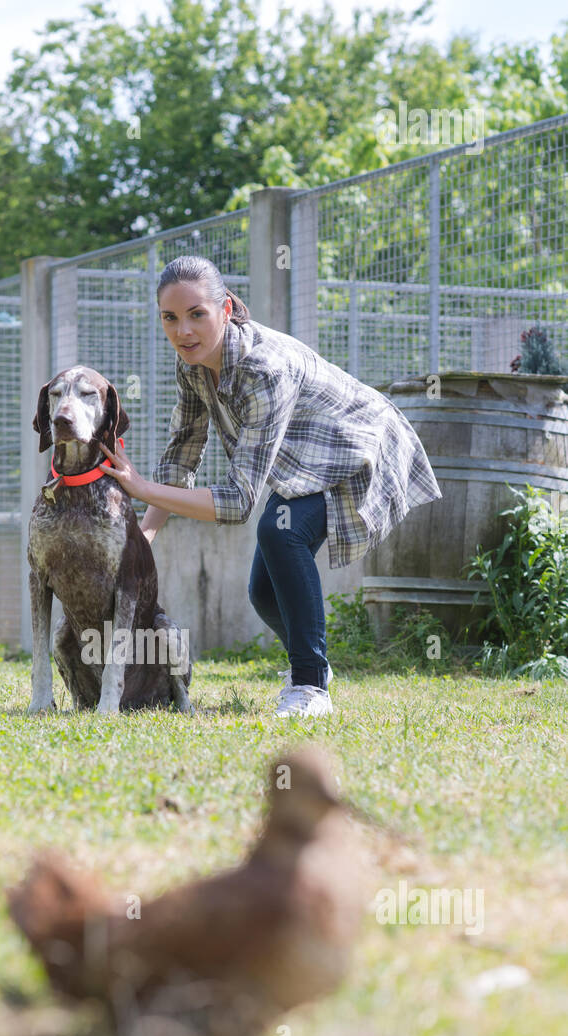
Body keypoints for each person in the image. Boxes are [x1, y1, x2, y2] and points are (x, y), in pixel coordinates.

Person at [98, 254, 442, 718]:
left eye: (197, 314)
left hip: (359, 447)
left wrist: (140, 489)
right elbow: (181, 457)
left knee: (279, 532)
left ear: (226, 309)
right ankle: (312, 660)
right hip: (300, 464)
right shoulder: (193, 367)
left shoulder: (263, 368)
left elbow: (240, 502)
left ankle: (309, 686)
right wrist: (144, 539)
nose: (184, 332)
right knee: (263, 592)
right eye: (171, 318)